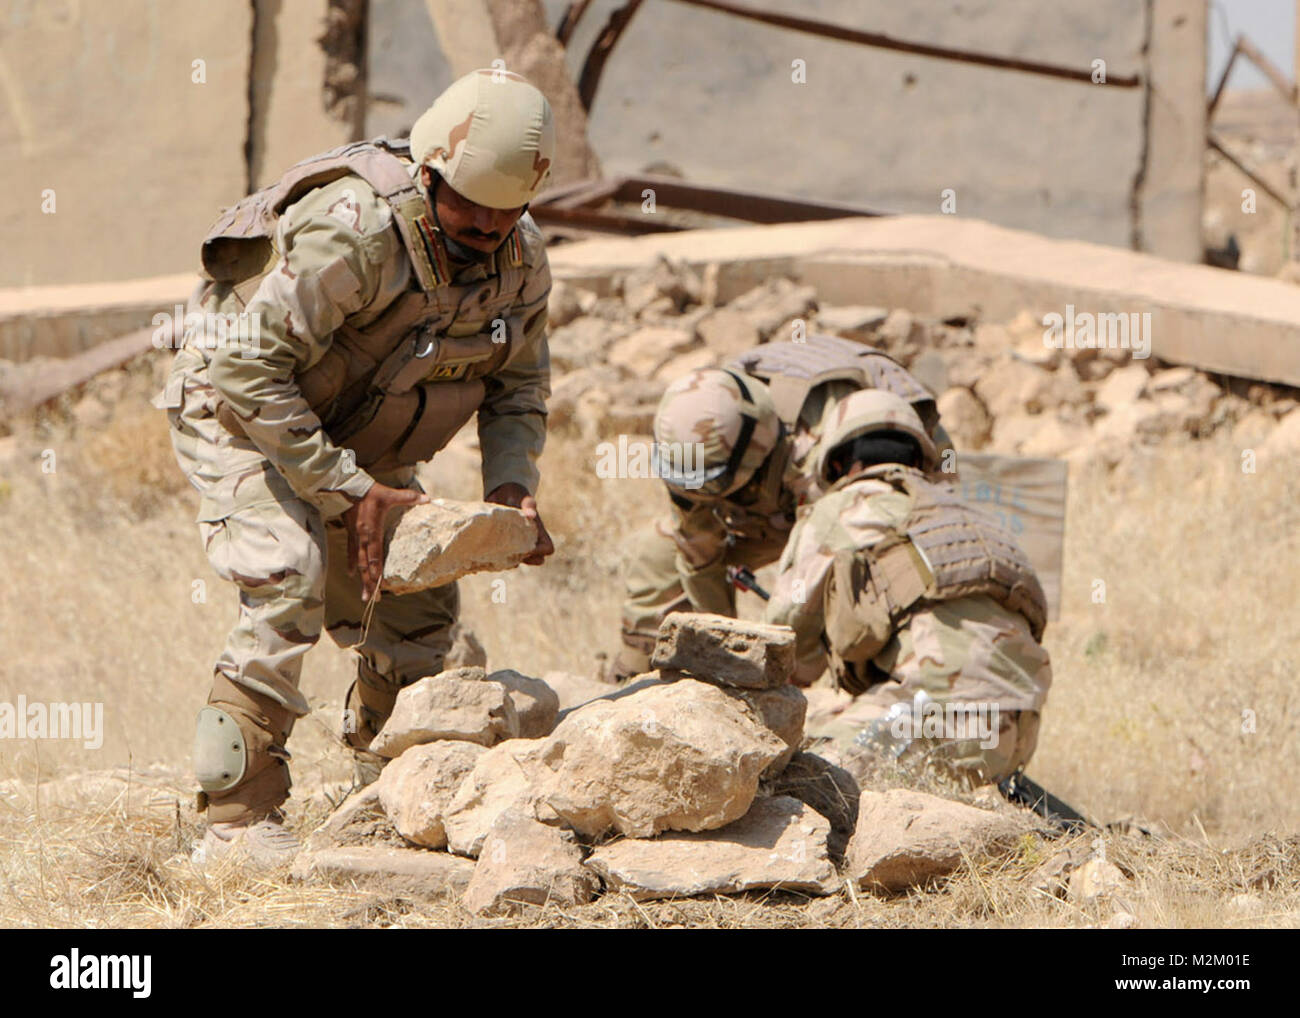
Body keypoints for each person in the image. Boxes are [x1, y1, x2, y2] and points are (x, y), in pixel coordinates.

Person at [155, 68, 557, 866]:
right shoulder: (357, 231)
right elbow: (245, 369)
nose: (485, 223)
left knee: (415, 595)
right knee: (289, 572)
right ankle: (238, 822)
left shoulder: (522, 258)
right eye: (467, 202)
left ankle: (392, 795)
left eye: (504, 209)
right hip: (242, 408)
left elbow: (518, 385)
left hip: (358, 423)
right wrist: (344, 489)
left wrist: (511, 489)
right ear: (430, 170)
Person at [612, 332, 954, 680]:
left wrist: (788, 667)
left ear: (752, 453)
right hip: (779, 501)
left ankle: (882, 691)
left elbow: (834, 553)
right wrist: (720, 658)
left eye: (711, 484)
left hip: (887, 493)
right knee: (657, 552)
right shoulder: (701, 432)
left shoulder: (827, 442)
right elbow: (698, 550)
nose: (699, 494)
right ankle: (634, 686)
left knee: (864, 596)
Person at [764, 388, 1051, 786]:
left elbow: (783, 647)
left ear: (841, 464)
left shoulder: (840, 508)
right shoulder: (968, 516)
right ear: (919, 458)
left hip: (926, 722)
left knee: (792, 774)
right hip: (1016, 734)